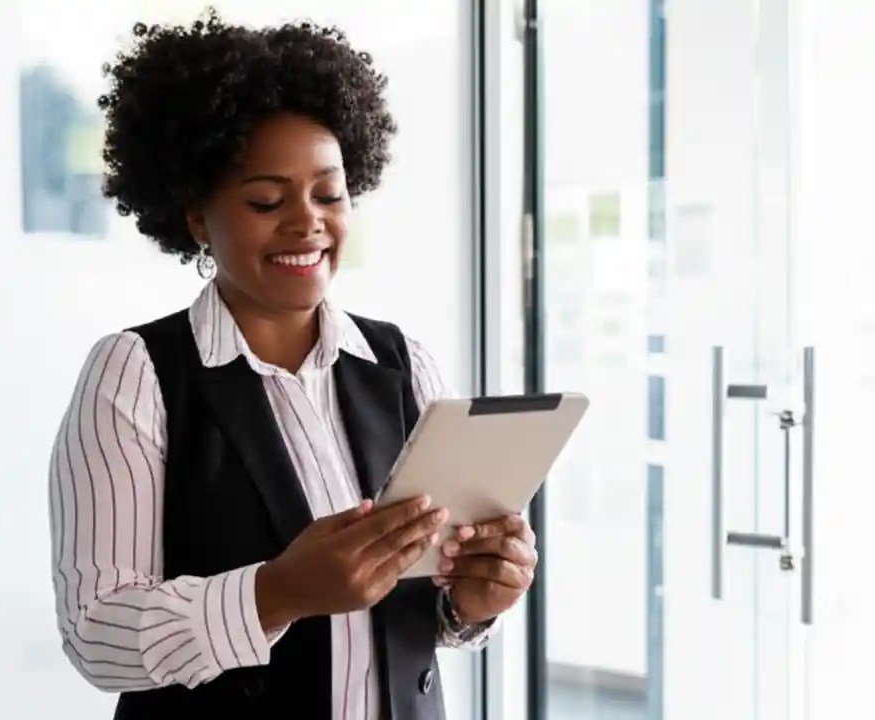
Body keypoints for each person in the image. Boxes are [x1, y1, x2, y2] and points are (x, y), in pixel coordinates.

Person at [48, 12, 537, 719]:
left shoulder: (403, 365)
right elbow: (97, 635)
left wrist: (470, 603)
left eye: (329, 194)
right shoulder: (137, 374)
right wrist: (277, 592)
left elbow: (411, 619)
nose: (307, 222)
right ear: (196, 216)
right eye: (266, 201)